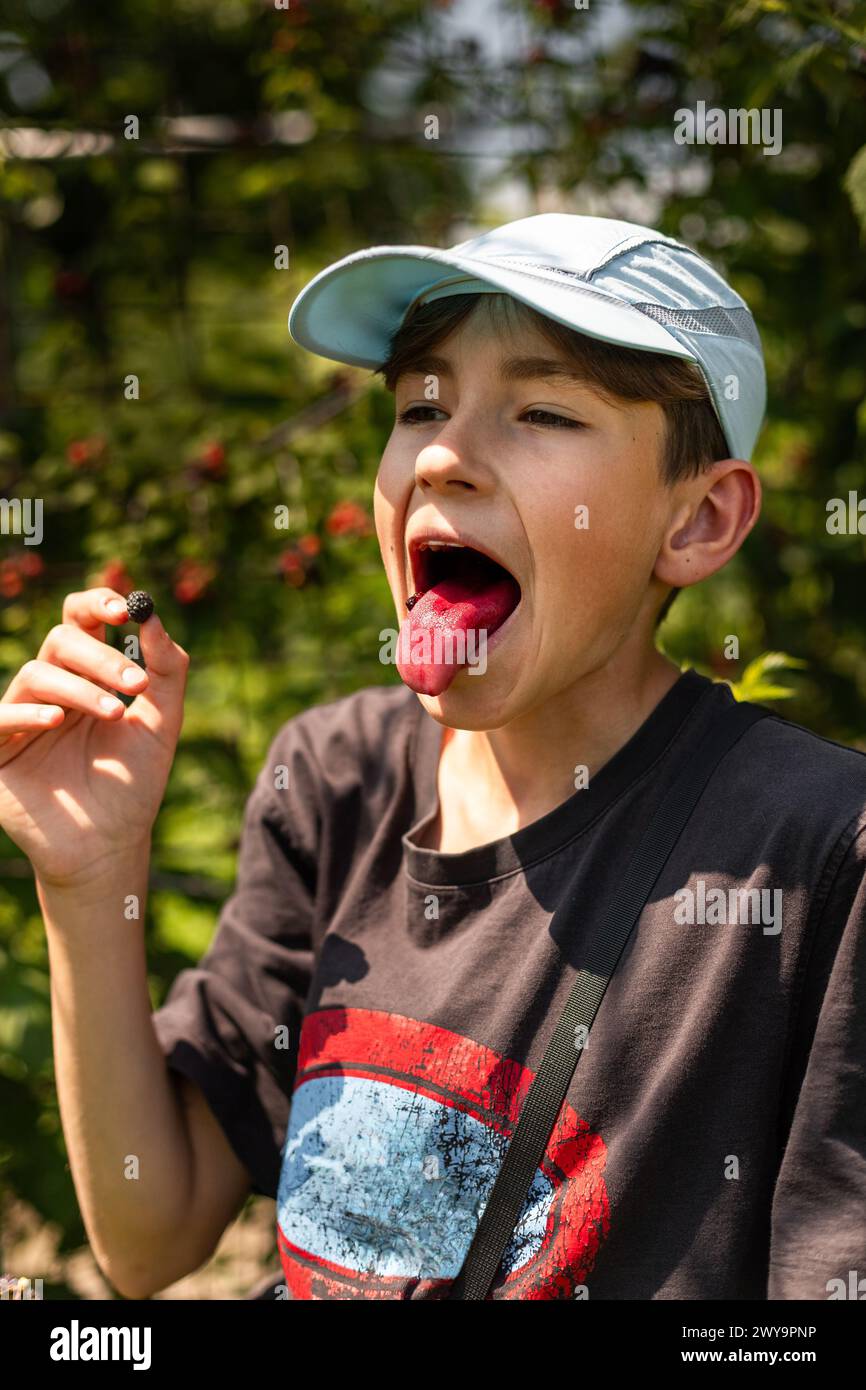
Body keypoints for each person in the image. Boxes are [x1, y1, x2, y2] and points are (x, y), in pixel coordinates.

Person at [2, 214, 864, 1301]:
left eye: (543, 411)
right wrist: (86, 882)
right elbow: (149, 1232)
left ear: (693, 521)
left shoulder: (813, 854)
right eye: (419, 405)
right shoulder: (335, 780)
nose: (444, 455)